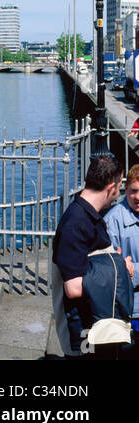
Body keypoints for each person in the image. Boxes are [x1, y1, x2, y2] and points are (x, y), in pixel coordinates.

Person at [52, 153, 134, 358]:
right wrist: (120, 270)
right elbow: (73, 287)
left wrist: (111, 261)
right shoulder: (75, 225)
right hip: (84, 333)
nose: (119, 192)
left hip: (97, 324)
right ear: (111, 187)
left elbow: (93, 263)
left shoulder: (89, 215)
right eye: (119, 185)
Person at [105, 163, 139, 326]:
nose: (138, 197)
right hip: (130, 309)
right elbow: (110, 270)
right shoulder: (113, 220)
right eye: (134, 191)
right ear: (126, 189)